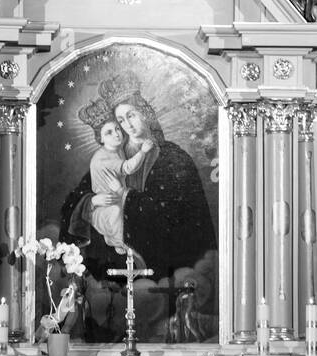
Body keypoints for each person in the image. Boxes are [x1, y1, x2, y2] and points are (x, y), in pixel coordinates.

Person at [61, 72, 215, 279]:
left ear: (145, 112)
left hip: (163, 266)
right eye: (121, 120)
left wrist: (124, 195)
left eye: (131, 115)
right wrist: (91, 201)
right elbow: (75, 199)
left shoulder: (173, 157)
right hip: (115, 268)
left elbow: (180, 217)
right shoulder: (113, 155)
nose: (128, 125)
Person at [78, 98, 154, 258]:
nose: (117, 134)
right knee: (116, 213)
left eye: (117, 128)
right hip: (106, 207)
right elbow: (127, 167)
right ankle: (117, 242)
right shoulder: (103, 157)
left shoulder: (118, 150)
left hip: (118, 201)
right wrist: (143, 151)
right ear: (101, 139)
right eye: (109, 132)